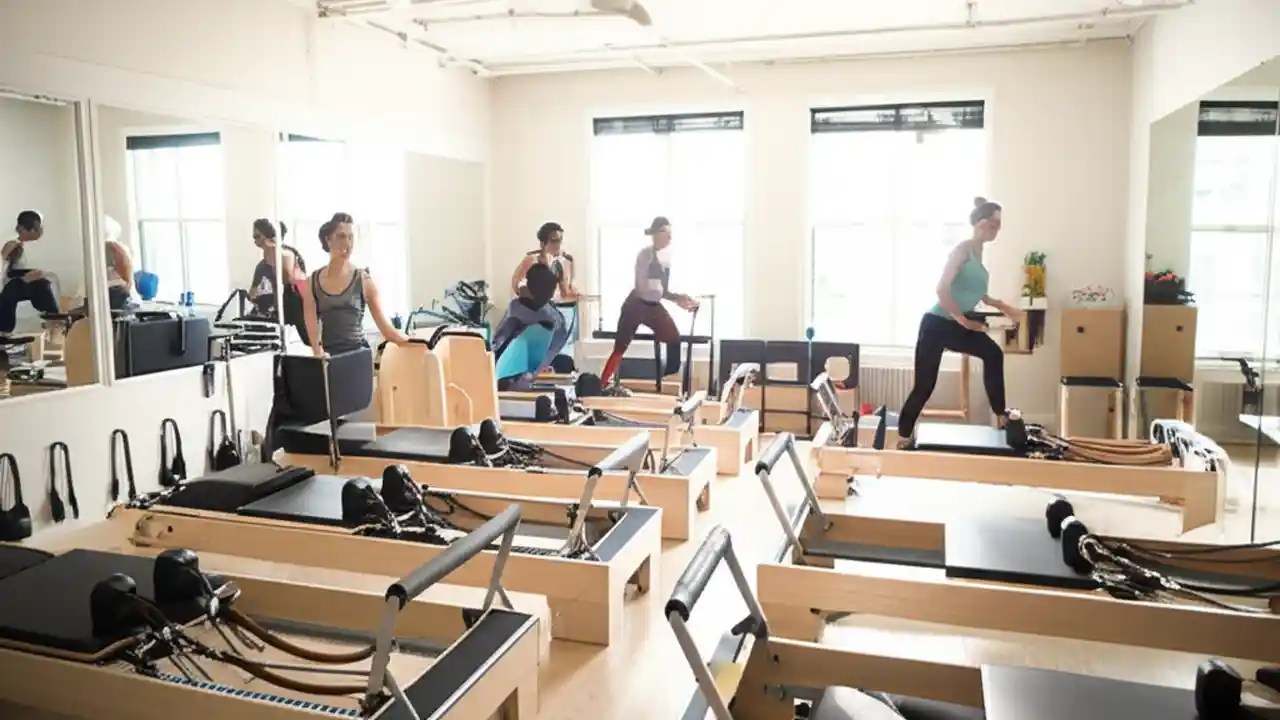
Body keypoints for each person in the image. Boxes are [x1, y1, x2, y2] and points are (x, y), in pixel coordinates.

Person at [896, 198, 1022, 443]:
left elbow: (974, 291)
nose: (997, 229)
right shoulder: (962, 250)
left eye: (999, 224)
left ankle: (1001, 414)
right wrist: (962, 320)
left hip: (953, 323)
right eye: (993, 223)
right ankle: (902, 438)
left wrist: (1003, 306)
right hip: (937, 324)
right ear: (980, 223)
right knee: (924, 387)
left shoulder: (979, 254)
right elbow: (942, 288)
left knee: (993, 353)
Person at [597, 216, 699, 393]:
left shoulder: (666, 259)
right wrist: (658, 285)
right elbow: (643, 286)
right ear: (656, 234)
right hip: (636, 305)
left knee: (674, 337)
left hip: (653, 306)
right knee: (620, 347)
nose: (669, 237)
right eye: (665, 233)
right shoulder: (645, 255)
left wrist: (679, 299)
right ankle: (602, 384)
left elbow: (662, 290)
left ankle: (668, 381)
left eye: (670, 233)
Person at [300, 212, 408, 356]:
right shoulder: (312, 282)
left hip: (358, 356)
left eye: (351, 237)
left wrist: (415, 342)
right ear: (328, 240)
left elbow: (387, 330)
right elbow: (313, 336)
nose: (347, 243)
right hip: (330, 358)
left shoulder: (363, 280)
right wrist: (318, 353)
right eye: (341, 237)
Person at [248, 218, 309, 344]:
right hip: (280, 304)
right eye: (254, 237)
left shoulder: (287, 254)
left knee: (310, 340)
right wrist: (255, 297)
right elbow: (252, 293)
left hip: (300, 301)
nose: (255, 240)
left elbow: (287, 279)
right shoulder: (262, 265)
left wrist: (274, 255)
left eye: (257, 236)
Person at [0, 210, 60, 335]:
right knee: (12, 288)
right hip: (15, 282)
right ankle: (4, 330)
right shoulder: (13, 245)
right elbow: (5, 273)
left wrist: (38, 275)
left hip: (37, 283)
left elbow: (49, 272)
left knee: (41, 283)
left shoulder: (43, 245)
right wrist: (4, 255)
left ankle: (52, 318)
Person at [510, 222, 577, 301]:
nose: (558, 245)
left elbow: (564, 292)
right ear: (542, 244)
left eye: (560, 240)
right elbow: (517, 285)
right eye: (554, 241)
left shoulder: (559, 263)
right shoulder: (531, 260)